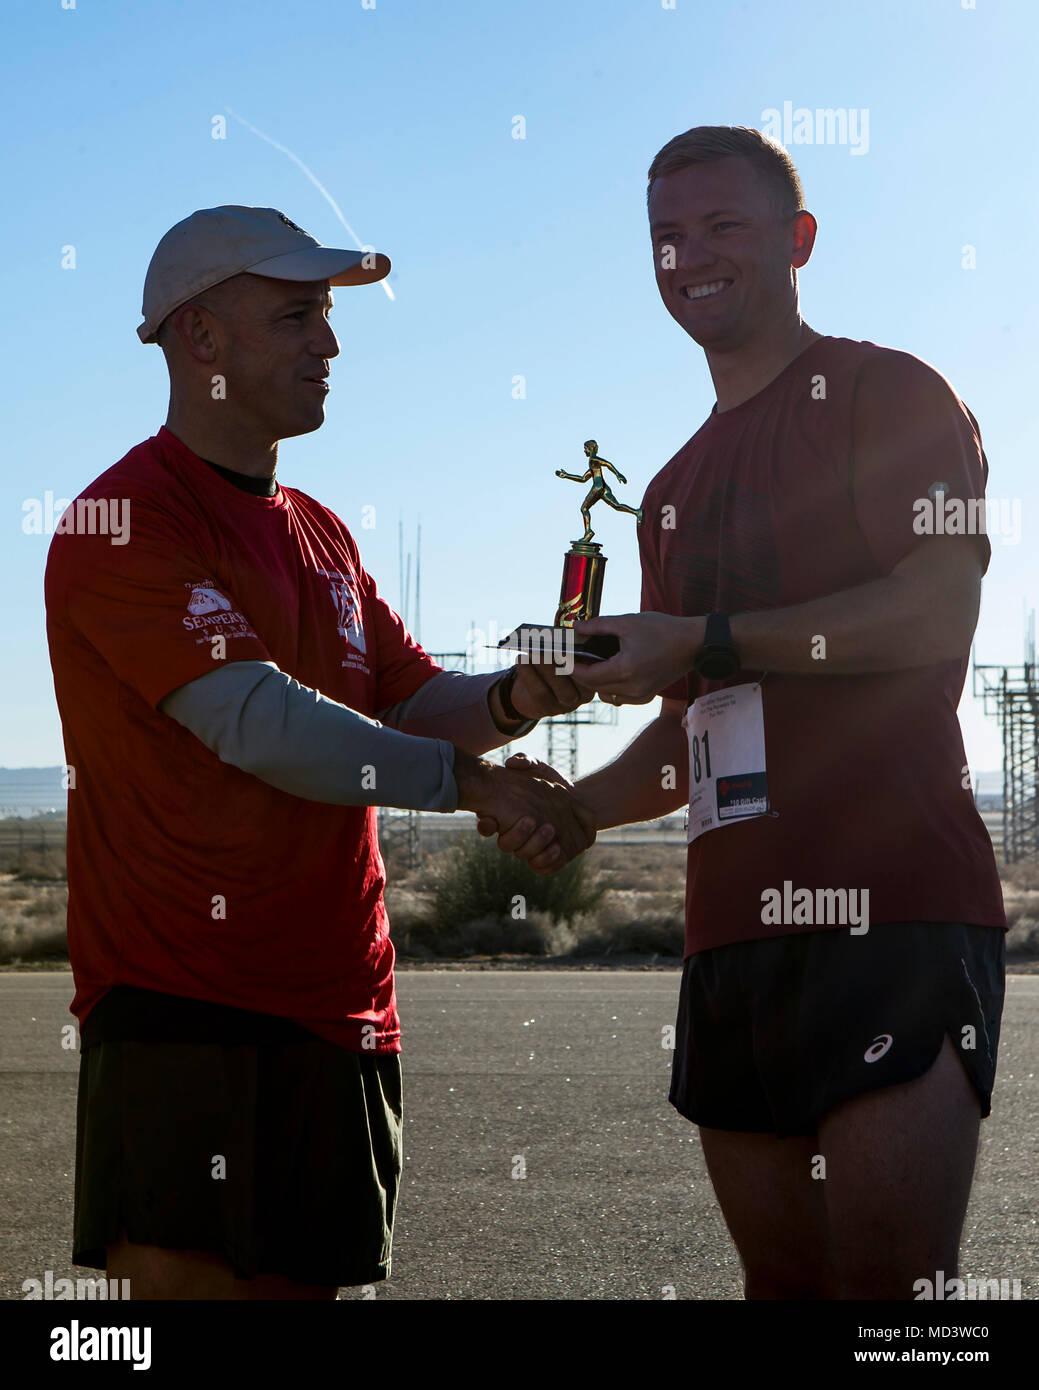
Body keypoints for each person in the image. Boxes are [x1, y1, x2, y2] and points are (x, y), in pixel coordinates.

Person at [487, 127, 1007, 1300]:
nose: (688, 256)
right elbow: (696, 724)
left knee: (897, 1301)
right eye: (666, 237)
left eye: (722, 226)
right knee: (782, 1290)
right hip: (732, 938)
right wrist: (577, 815)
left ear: (797, 241)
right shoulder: (666, 493)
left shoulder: (890, 393)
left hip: (893, 913)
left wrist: (705, 638)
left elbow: (933, 612)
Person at [44, 204, 594, 1300]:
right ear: (198, 338)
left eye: (329, 318)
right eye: (297, 315)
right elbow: (260, 725)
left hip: (342, 1009)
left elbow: (412, 698)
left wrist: (519, 696)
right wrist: (471, 784)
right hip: (181, 1005)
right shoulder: (121, 520)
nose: (330, 345)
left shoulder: (324, 532)